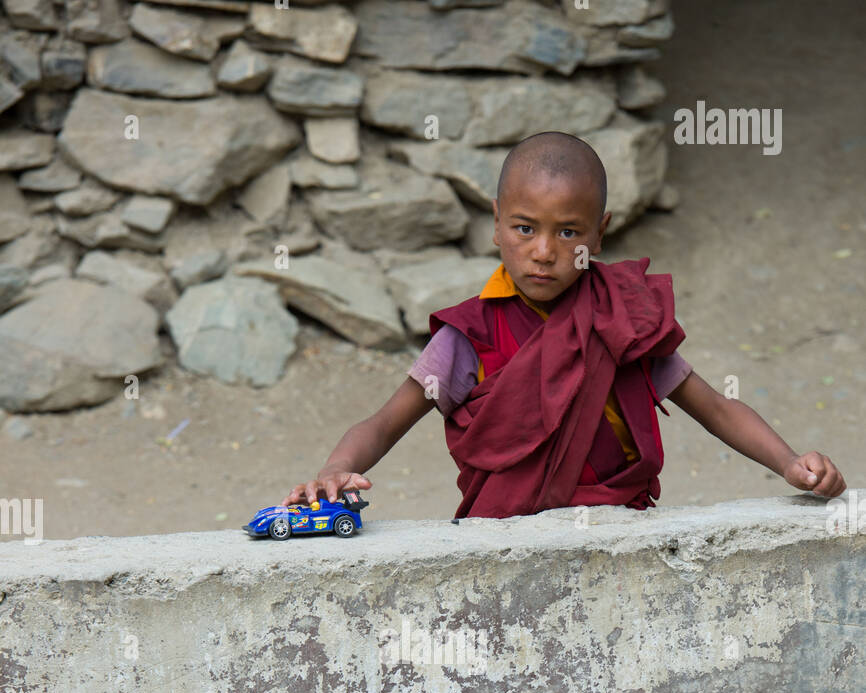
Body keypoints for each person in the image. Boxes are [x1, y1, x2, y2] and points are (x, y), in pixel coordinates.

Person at [283, 130, 845, 517]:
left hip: (618, 538)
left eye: (569, 232)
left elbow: (716, 407)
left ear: (599, 233)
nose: (545, 252)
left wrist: (791, 463)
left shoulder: (624, 317)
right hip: (503, 543)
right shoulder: (468, 335)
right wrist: (335, 469)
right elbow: (383, 424)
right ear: (497, 225)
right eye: (525, 228)